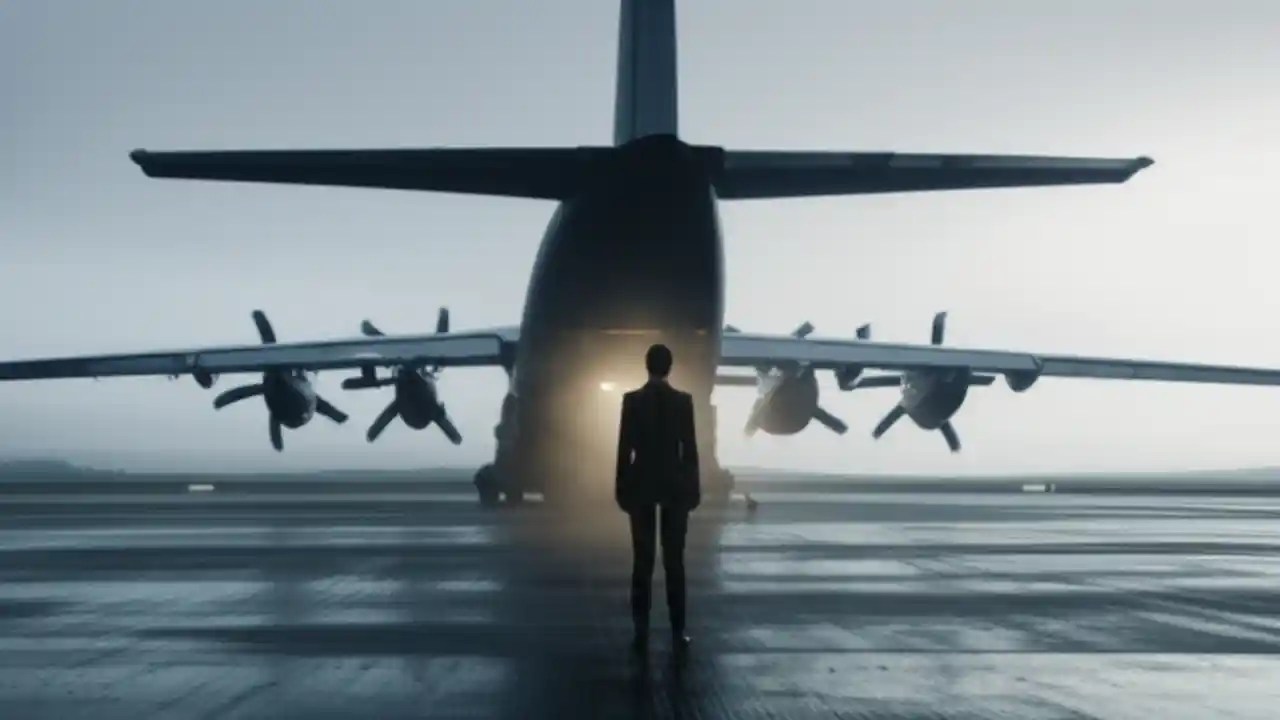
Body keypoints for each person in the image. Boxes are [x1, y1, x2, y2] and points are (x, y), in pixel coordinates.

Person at [615, 343, 700, 655]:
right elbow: (689, 451)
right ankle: (678, 633)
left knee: (642, 563)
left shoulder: (632, 401)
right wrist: (693, 490)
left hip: (641, 488)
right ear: (670, 367)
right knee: (675, 564)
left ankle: (641, 631)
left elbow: (624, 450)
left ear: (646, 366)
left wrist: (621, 489)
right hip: (675, 490)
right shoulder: (683, 402)